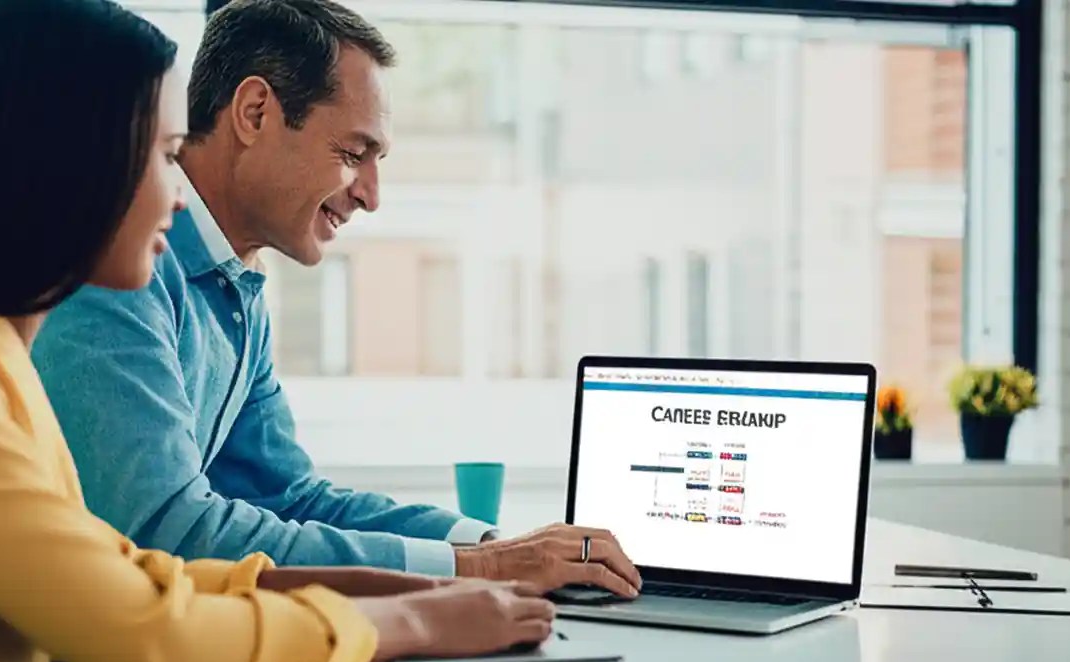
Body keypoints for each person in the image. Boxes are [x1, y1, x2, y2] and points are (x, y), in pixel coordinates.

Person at [0, 1, 555, 662]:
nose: (179, 197)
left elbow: (136, 572)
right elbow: (146, 629)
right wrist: (413, 625)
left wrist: (426, 588)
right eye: (167, 156)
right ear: (64, 159)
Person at [32, 0, 643, 600]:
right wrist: (478, 568)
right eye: (354, 154)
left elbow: (289, 498)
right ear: (254, 112)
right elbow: (169, 533)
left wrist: (495, 544)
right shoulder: (118, 266)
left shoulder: (236, 287)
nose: (371, 196)